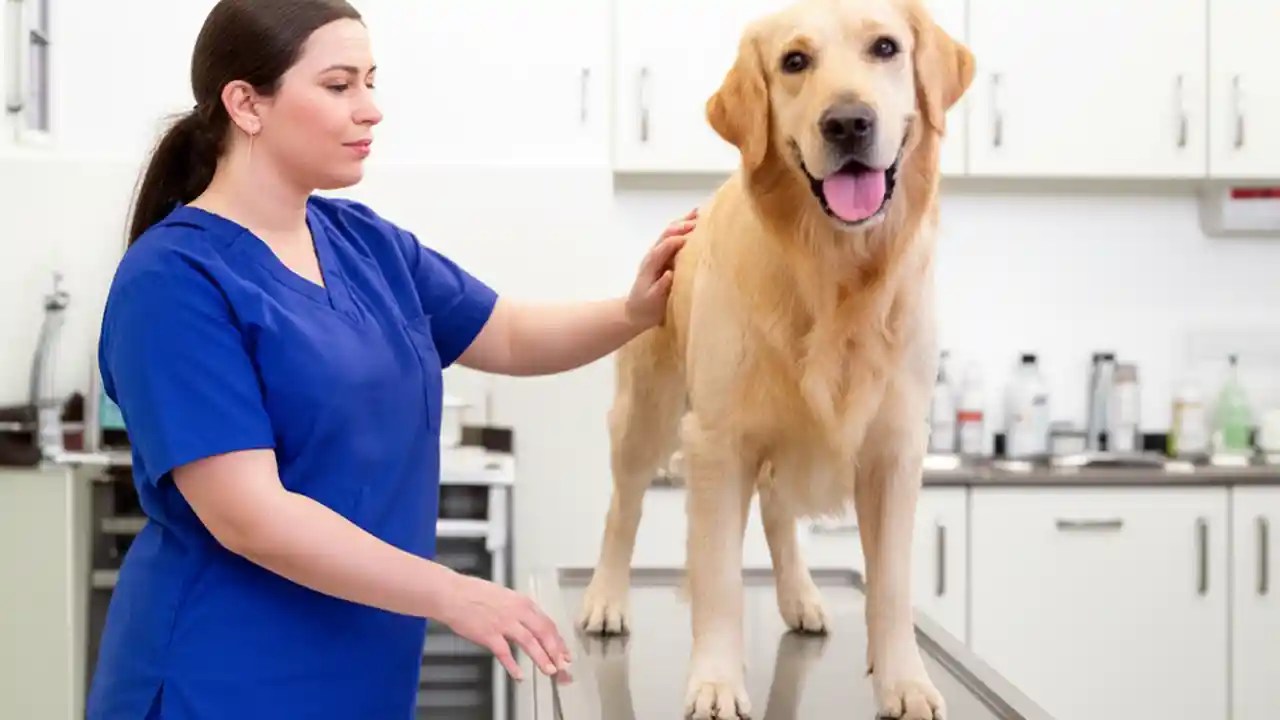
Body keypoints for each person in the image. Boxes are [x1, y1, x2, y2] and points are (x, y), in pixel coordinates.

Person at [85, 1, 694, 718]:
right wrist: (453, 592)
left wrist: (635, 312)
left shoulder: (363, 243)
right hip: (222, 673)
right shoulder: (174, 280)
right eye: (340, 86)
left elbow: (510, 334)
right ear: (246, 103)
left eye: (372, 82)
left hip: (362, 667)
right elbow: (250, 516)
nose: (371, 109)